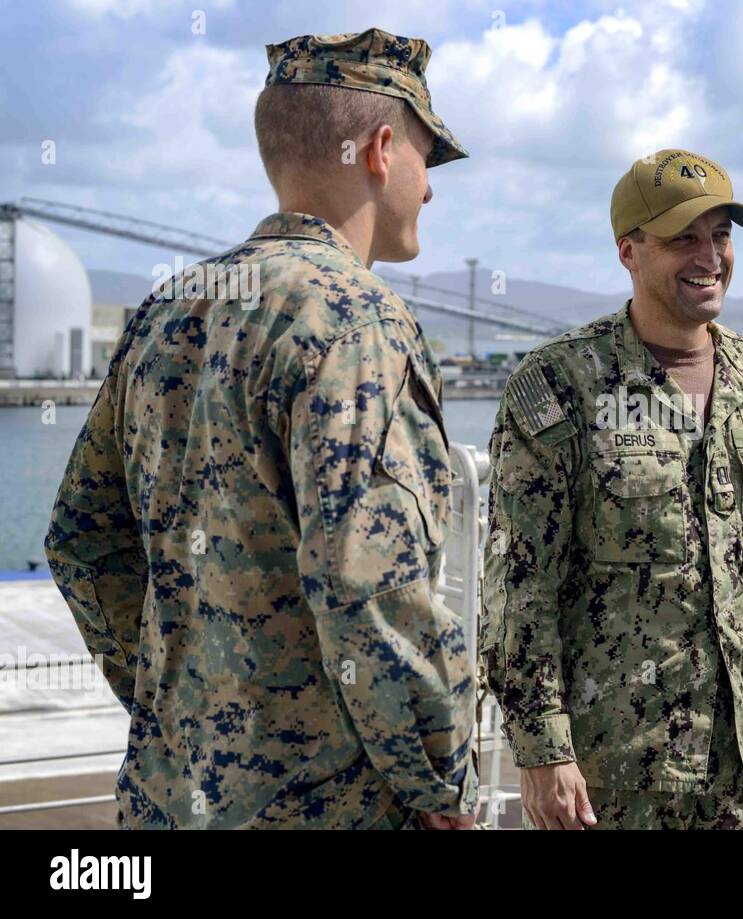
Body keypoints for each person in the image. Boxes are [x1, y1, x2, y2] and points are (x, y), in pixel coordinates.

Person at [45, 28, 477, 829]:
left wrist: (174, 699)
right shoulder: (359, 322)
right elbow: (371, 589)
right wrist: (441, 784)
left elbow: (80, 537)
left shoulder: (169, 306)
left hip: (170, 795)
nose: (431, 189)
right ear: (382, 150)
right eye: (427, 155)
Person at [482, 149, 743, 830]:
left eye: (721, 235)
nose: (710, 255)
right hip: (611, 775)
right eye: (683, 238)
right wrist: (541, 751)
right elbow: (517, 589)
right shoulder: (562, 383)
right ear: (629, 252)